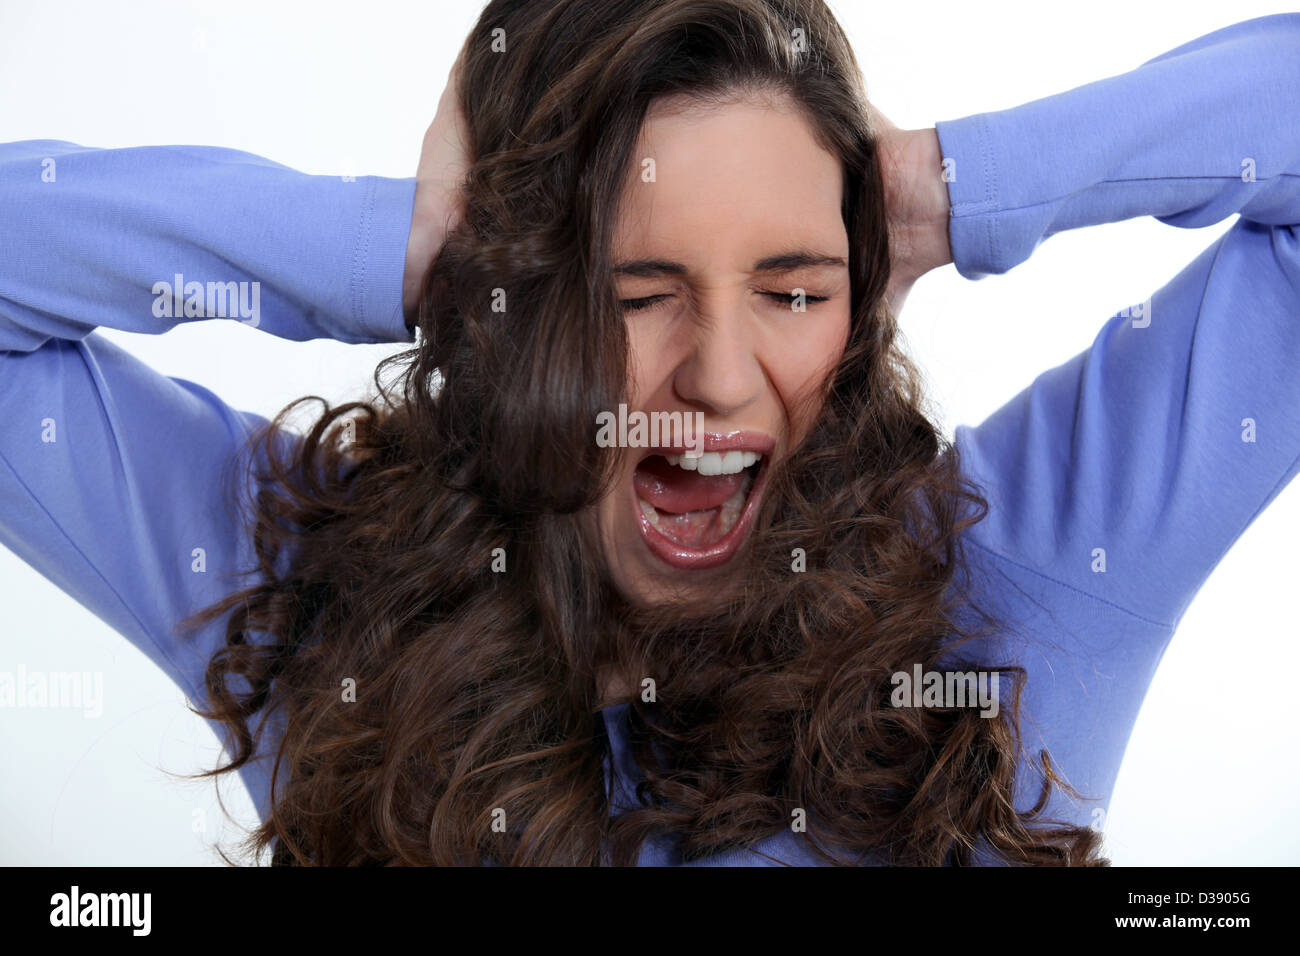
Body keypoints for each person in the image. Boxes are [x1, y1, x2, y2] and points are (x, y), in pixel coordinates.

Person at [1, 0, 1296, 865]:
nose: (723, 377)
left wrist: (948, 191)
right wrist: (394, 253)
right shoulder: (303, 580)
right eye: (635, 295)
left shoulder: (1033, 565)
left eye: (793, 290)